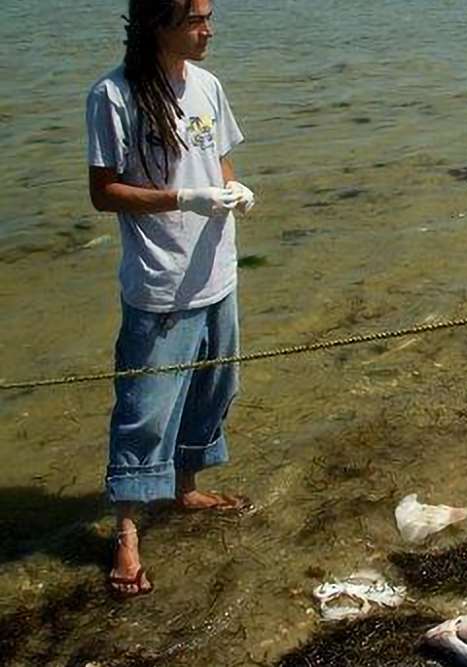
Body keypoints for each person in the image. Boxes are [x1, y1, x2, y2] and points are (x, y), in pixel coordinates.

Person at [86, 0, 255, 598]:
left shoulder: (207, 85)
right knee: (145, 409)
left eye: (210, 17)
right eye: (196, 20)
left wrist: (232, 189)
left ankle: (184, 487)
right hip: (160, 283)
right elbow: (104, 193)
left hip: (218, 273)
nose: (209, 30)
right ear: (160, 24)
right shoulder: (114, 95)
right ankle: (127, 534)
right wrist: (183, 200)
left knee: (215, 387)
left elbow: (221, 159)